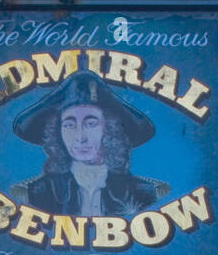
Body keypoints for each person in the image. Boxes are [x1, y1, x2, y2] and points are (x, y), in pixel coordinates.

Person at [10, 71, 168, 218]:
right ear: (57, 133)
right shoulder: (32, 193)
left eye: (91, 124)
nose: (80, 137)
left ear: (110, 130)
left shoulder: (149, 193)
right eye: (69, 125)